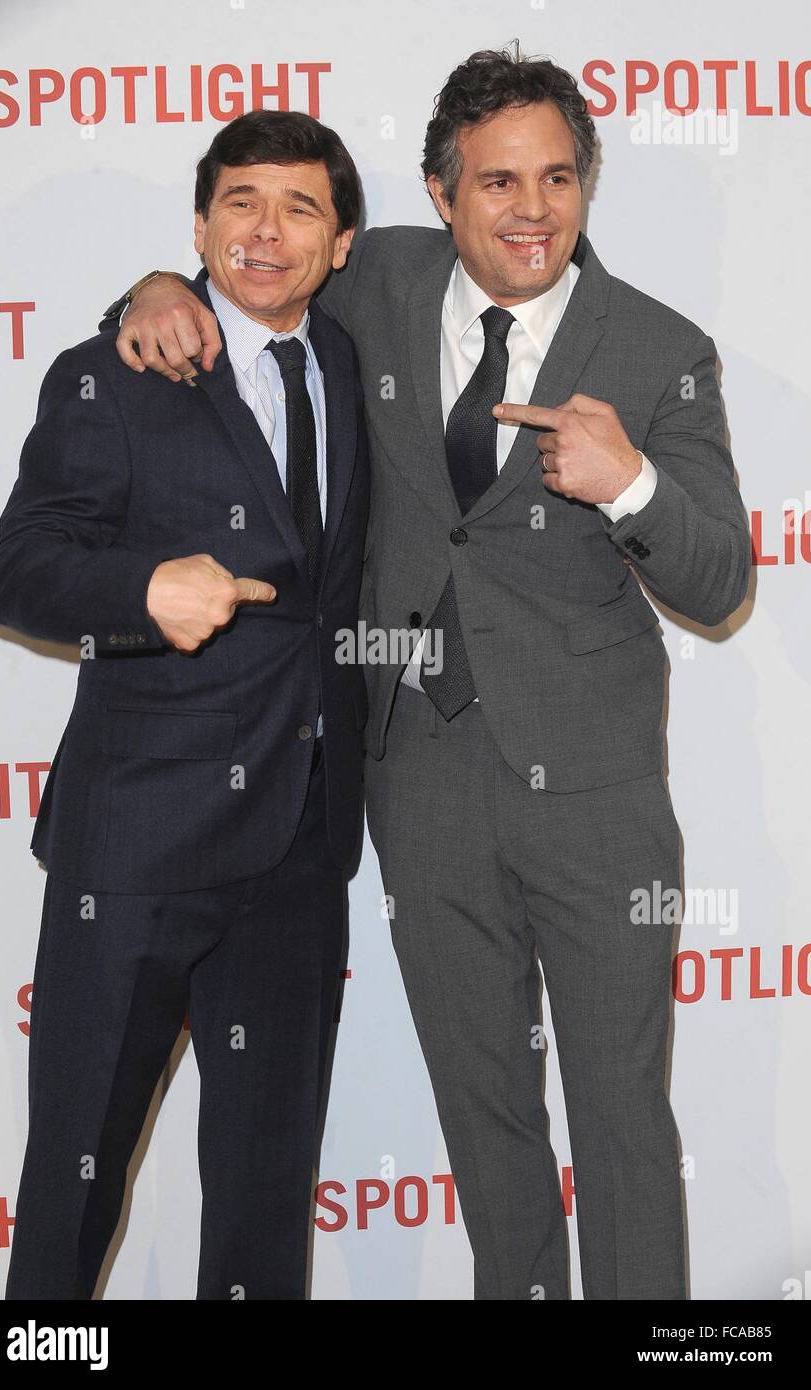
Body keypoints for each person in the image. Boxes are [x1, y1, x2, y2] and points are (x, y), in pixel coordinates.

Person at [102, 49, 751, 1300]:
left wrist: (631, 484)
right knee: (485, 1113)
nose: (531, 209)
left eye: (558, 177)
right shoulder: (382, 280)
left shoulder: (663, 349)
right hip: (423, 779)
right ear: (440, 195)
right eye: (498, 180)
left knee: (620, 1113)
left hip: (598, 797)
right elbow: (250, 279)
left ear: (587, 185)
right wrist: (147, 287)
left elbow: (718, 580)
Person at [0, 109, 369, 1300]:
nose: (266, 230)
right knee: (73, 1188)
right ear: (198, 224)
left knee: (262, 1198)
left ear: (342, 243)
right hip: (135, 851)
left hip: (296, 853)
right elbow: (15, 569)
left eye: (301, 208)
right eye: (240, 201)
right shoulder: (115, 373)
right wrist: (142, 588)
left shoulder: (349, 364)